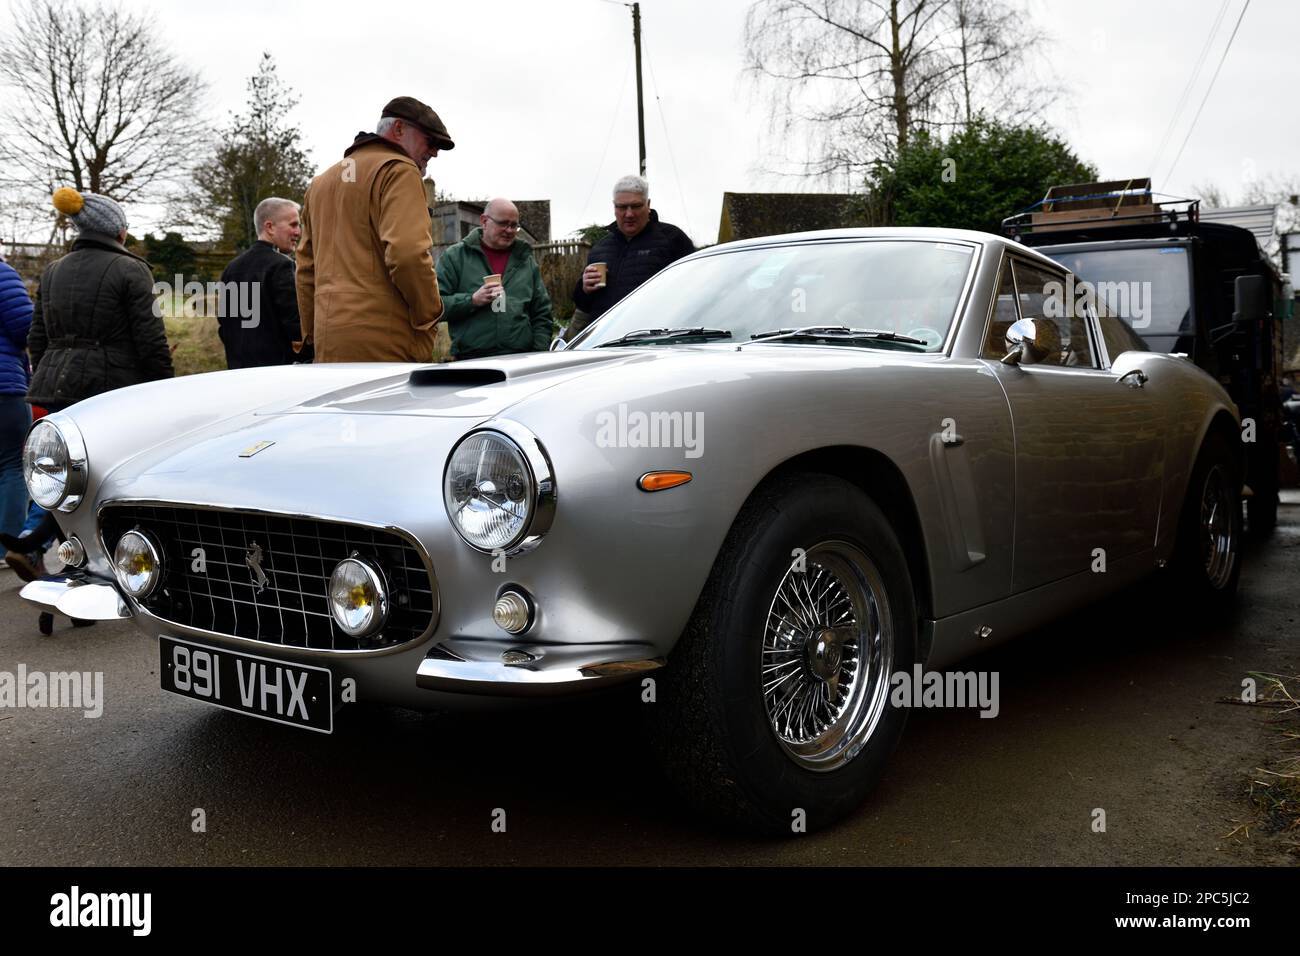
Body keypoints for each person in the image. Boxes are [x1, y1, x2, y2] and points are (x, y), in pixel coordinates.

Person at [17, 186, 173, 632]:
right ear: (116, 229)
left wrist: (49, 371)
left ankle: (56, 559)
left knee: (68, 482)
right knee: (115, 482)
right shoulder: (131, 270)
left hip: (57, 384)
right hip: (114, 391)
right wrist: (164, 389)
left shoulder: (52, 271)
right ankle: (102, 575)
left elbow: (37, 337)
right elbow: (150, 339)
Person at [296, 96, 454, 363]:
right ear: (399, 129)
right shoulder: (399, 170)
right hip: (386, 342)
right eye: (430, 140)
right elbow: (407, 254)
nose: (435, 152)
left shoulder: (321, 183)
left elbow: (305, 270)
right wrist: (430, 314)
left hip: (328, 342)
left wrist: (311, 336)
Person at [570, 175, 695, 336]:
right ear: (614, 207)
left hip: (654, 343)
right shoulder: (600, 248)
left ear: (648, 205)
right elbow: (584, 306)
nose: (629, 214)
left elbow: (694, 292)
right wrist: (584, 288)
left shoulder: (672, 239)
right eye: (622, 207)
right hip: (605, 343)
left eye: (635, 206)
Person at [435, 198, 553, 359]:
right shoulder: (455, 257)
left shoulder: (525, 260)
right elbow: (435, 307)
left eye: (514, 225)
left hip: (521, 359)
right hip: (471, 361)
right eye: (503, 223)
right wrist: (472, 300)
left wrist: (538, 354)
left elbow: (542, 313)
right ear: (484, 221)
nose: (509, 230)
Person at [218, 197, 311, 368]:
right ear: (270, 227)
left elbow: (225, 328)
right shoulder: (281, 265)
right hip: (276, 375)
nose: (298, 232)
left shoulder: (231, 268)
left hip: (237, 372)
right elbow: (296, 326)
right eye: (293, 225)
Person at [0, 249, 34, 547]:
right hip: (4, 386)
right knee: (13, 464)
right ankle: (7, 545)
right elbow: (25, 328)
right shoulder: (3, 274)